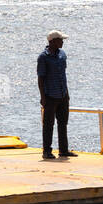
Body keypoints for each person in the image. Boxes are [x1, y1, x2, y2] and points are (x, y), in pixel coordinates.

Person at [37, 29, 75, 159]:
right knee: (48, 125)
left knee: (63, 123)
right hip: (50, 95)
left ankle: (63, 150)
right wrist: (43, 97)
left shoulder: (62, 55)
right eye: (60, 40)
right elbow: (41, 78)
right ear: (52, 42)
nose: (62, 42)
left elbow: (63, 76)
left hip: (63, 94)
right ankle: (46, 151)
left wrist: (67, 93)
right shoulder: (43, 57)